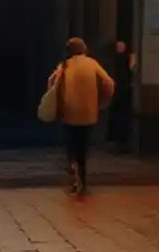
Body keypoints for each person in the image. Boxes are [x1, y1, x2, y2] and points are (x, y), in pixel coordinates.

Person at [48, 37, 114, 195]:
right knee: (83, 147)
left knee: (71, 143)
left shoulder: (65, 66)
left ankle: (72, 169)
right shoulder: (92, 63)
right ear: (84, 48)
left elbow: (52, 82)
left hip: (69, 112)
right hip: (88, 112)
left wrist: (57, 101)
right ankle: (82, 180)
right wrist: (103, 101)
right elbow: (109, 83)